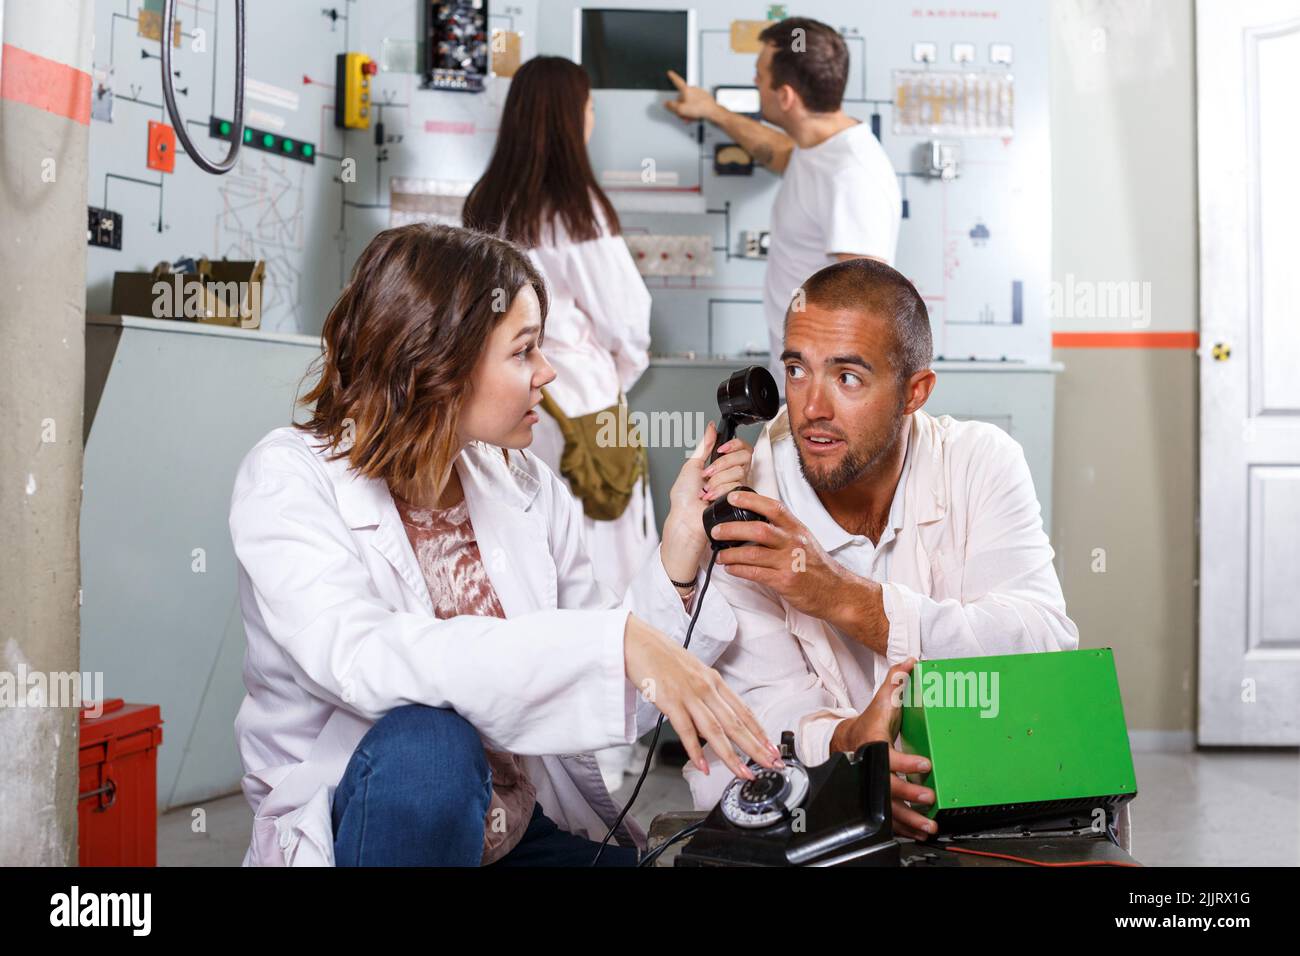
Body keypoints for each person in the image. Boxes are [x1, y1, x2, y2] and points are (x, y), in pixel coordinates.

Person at [229, 223, 779, 867]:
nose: (547, 373)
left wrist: (682, 547)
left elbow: (609, 675)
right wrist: (615, 645)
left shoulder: (519, 483)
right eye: (523, 351)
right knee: (429, 747)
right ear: (437, 360)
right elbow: (362, 659)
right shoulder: (289, 476)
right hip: (376, 830)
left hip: (512, 832)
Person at [686, 258, 1080, 840]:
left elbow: (1043, 646)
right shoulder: (747, 500)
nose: (812, 407)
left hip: (983, 792)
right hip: (817, 814)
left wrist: (846, 599)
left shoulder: (979, 461)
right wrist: (852, 757)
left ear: (914, 391)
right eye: (797, 370)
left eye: (848, 378)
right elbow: (750, 715)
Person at [464, 56, 664, 789]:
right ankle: (608, 744)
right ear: (567, 117)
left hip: (508, 411)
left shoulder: (484, 207)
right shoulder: (577, 210)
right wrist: (602, 379)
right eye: (584, 109)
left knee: (526, 559)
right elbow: (630, 322)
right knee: (612, 563)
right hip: (583, 408)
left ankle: (534, 738)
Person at [664, 17, 901, 387]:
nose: (755, 82)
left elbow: (864, 309)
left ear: (786, 96)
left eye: (760, 75)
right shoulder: (818, 150)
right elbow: (778, 151)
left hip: (821, 397)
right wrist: (712, 111)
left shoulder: (852, 176)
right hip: (798, 381)